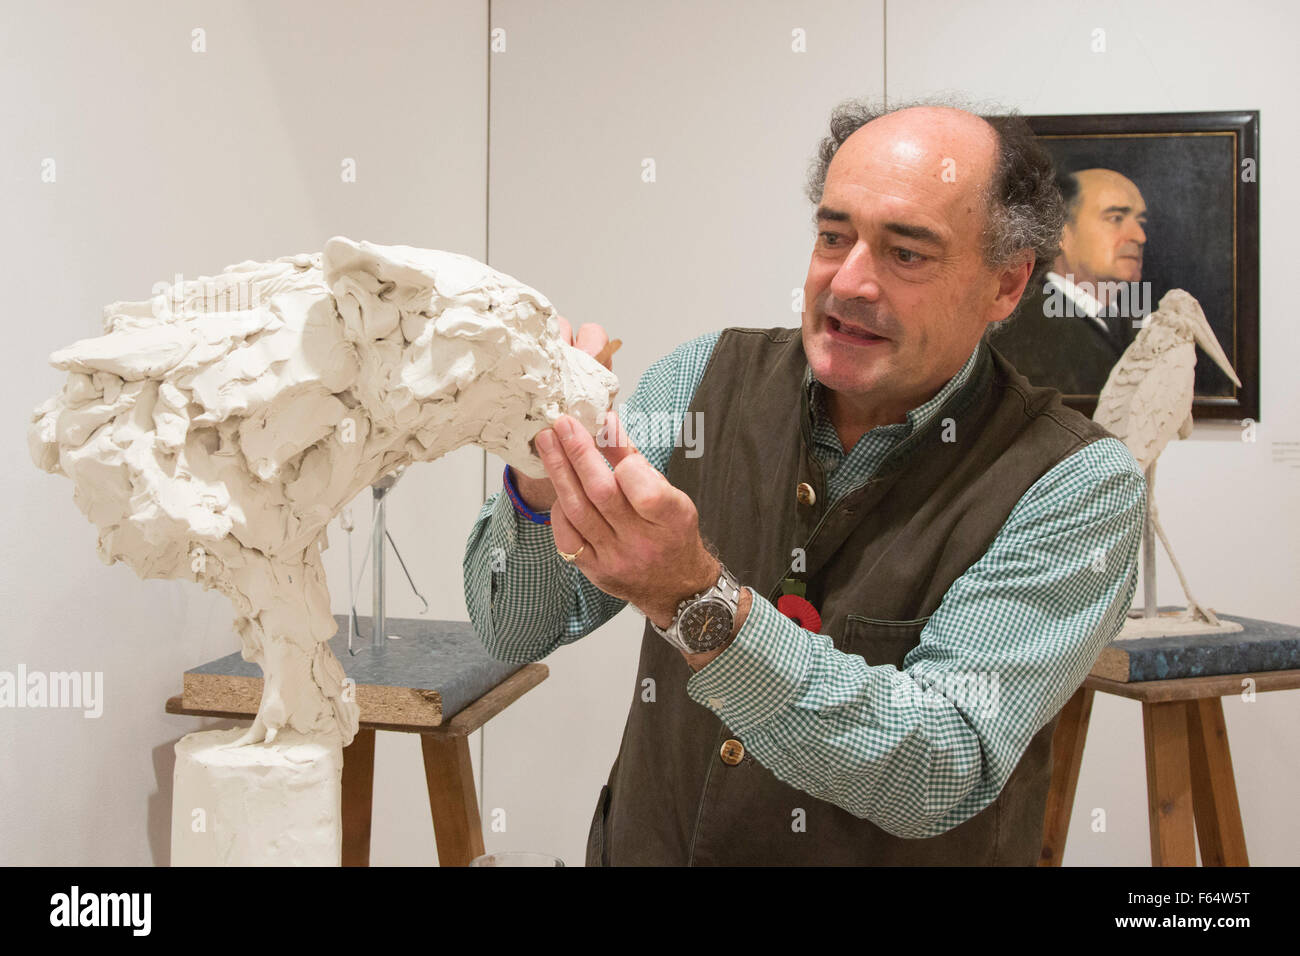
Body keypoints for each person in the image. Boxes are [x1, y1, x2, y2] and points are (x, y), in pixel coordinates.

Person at [462, 98, 1146, 866]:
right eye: (833, 236)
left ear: (1007, 286)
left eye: (906, 254)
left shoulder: (1073, 484)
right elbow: (516, 630)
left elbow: (938, 767)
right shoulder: (699, 379)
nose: (848, 281)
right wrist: (539, 467)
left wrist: (695, 600)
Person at [991, 168, 1150, 395]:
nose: (1139, 236)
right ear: (1062, 235)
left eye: (1140, 221)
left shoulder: (1143, 323)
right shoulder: (1021, 328)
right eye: (1116, 218)